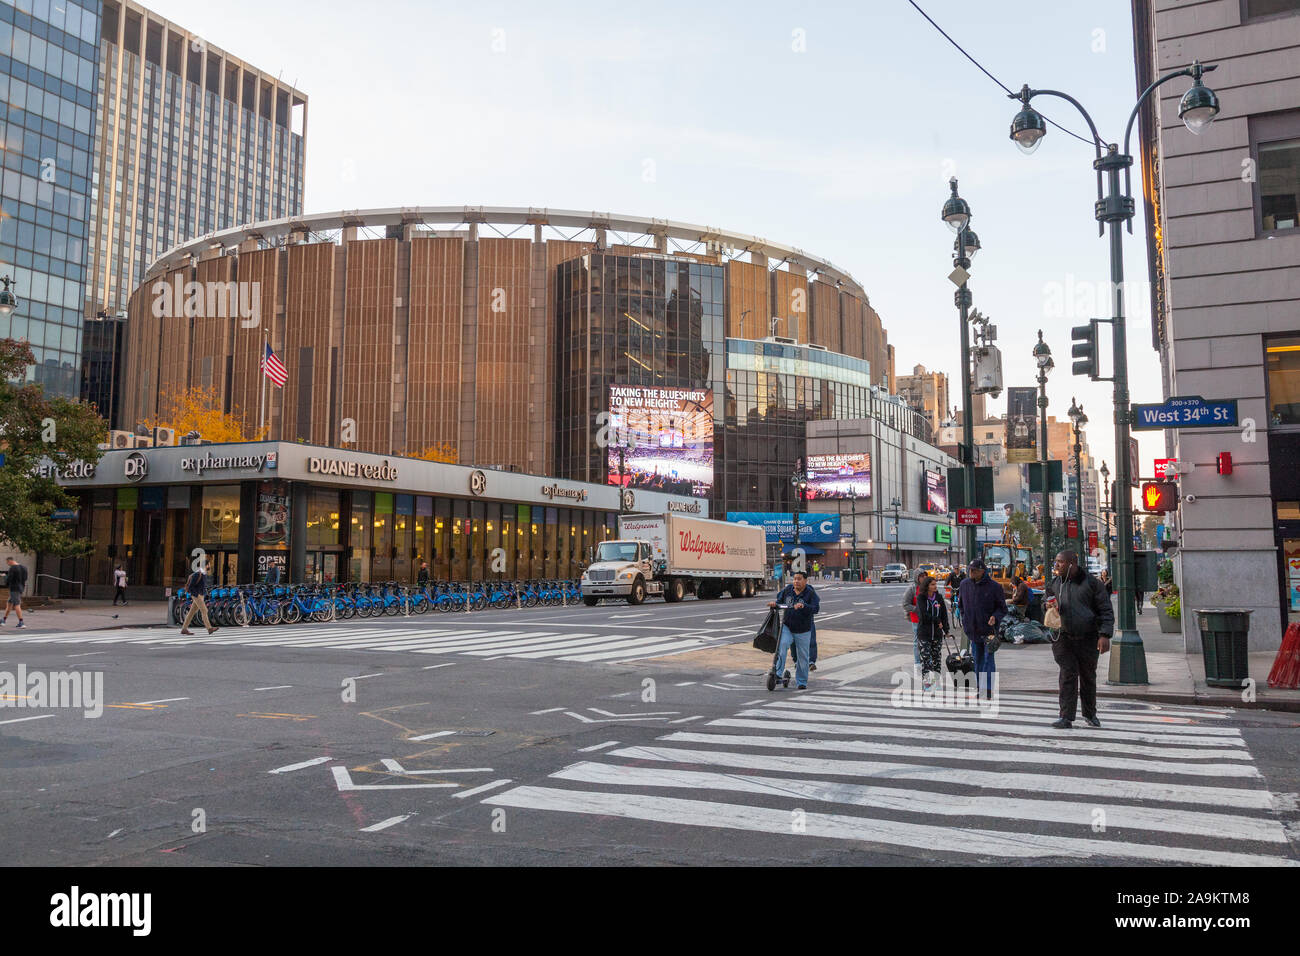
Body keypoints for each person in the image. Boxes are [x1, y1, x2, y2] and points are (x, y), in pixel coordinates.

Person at [1046, 549, 1113, 729]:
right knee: (1067, 674)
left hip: (1088, 637)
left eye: (1060, 562)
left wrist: (1104, 635)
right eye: (1056, 561)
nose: (1056, 565)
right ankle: (1065, 716)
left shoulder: (1092, 584)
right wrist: (1049, 604)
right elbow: (1048, 598)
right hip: (1063, 637)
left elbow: (1105, 610)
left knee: (1088, 676)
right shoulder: (1056, 582)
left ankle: (1090, 714)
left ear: (1071, 564)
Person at [956, 559, 1006, 698]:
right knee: (977, 660)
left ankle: (987, 688)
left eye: (974, 570)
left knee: (988, 658)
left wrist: (995, 617)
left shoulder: (994, 587)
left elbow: (1002, 608)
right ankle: (980, 687)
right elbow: (961, 604)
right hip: (972, 629)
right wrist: (964, 618)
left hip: (989, 630)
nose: (970, 572)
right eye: (970, 570)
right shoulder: (964, 585)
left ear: (982, 571)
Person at [767, 570, 819, 690]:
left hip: (803, 629)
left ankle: (801, 681)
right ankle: (777, 673)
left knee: (803, 656)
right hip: (788, 626)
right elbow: (779, 601)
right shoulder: (788, 590)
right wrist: (774, 604)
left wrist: (804, 606)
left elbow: (816, 608)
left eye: (799, 579)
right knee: (782, 646)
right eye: (795, 579)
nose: (796, 581)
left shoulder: (810, 593)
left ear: (805, 581)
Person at [915, 577, 950, 691]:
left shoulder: (939, 598)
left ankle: (936, 683)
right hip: (924, 634)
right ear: (927, 586)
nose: (935, 586)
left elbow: (944, 614)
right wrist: (937, 620)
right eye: (932, 585)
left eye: (935, 584)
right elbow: (923, 616)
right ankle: (927, 684)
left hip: (937, 635)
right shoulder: (921, 598)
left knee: (936, 660)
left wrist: (946, 629)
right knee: (926, 660)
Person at [902, 572, 933, 670]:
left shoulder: (928, 588)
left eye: (925, 576)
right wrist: (918, 609)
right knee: (917, 641)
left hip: (928, 618)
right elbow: (905, 604)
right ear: (917, 577)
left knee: (928, 640)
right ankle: (917, 662)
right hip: (916, 619)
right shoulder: (912, 589)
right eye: (921, 576)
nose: (924, 578)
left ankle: (928, 660)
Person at [180, 561, 219, 636]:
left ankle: (184, 629)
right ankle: (209, 628)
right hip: (197, 596)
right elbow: (191, 586)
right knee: (204, 610)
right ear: (206, 565)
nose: (209, 566)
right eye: (209, 565)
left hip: (201, 595)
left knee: (191, 612)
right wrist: (196, 595)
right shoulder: (198, 574)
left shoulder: (203, 574)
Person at [2, 557, 28, 629]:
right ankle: (3, 620)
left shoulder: (12, 568)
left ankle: (21, 622)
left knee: (16, 604)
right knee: (9, 603)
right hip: (21, 588)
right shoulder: (24, 567)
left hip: (14, 589)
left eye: (7, 563)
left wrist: (4, 577)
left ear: (9, 561)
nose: (8, 564)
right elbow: (25, 578)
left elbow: (9, 579)